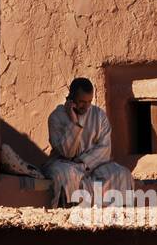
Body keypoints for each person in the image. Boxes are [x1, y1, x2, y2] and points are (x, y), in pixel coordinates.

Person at [44, 78, 134, 207]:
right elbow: (67, 153)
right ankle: (70, 217)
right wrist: (74, 123)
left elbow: (105, 148)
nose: (86, 106)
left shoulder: (99, 116)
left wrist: (84, 163)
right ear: (71, 98)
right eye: (81, 102)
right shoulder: (56, 117)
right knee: (63, 174)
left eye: (89, 102)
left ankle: (116, 219)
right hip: (66, 164)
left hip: (94, 165)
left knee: (121, 173)